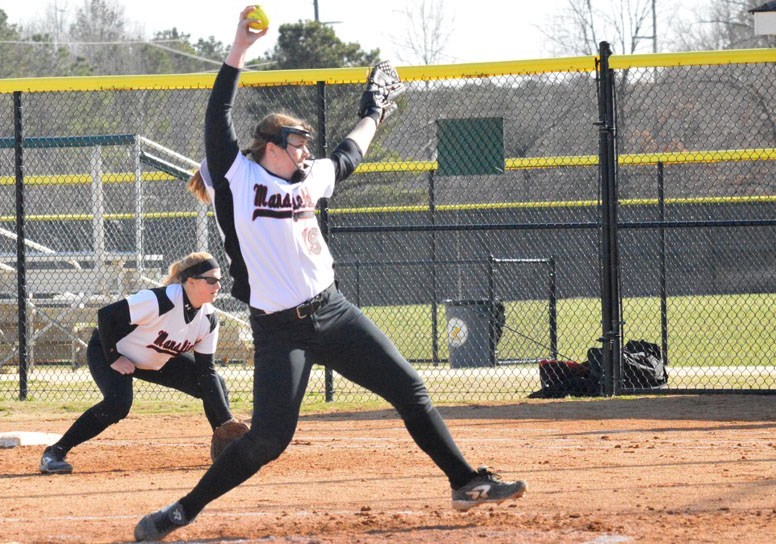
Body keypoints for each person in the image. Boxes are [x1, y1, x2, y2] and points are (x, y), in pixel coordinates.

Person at [134, 7, 527, 540]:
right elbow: (217, 115)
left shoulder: (310, 177)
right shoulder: (238, 175)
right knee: (269, 441)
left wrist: (376, 110)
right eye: (297, 143)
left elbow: (350, 152)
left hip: (332, 310)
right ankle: (180, 511)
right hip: (279, 329)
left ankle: (464, 481)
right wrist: (237, 51)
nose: (306, 150)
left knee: (410, 388)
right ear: (271, 146)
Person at [39, 251, 239, 474]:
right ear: (190, 281)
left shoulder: (209, 319)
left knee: (215, 385)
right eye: (211, 280)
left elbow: (206, 372)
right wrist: (114, 357)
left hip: (155, 358)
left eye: (220, 280)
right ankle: (54, 452)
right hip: (111, 349)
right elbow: (106, 315)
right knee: (118, 404)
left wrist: (227, 421)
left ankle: (227, 452)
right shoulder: (160, 300)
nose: (218, 286)